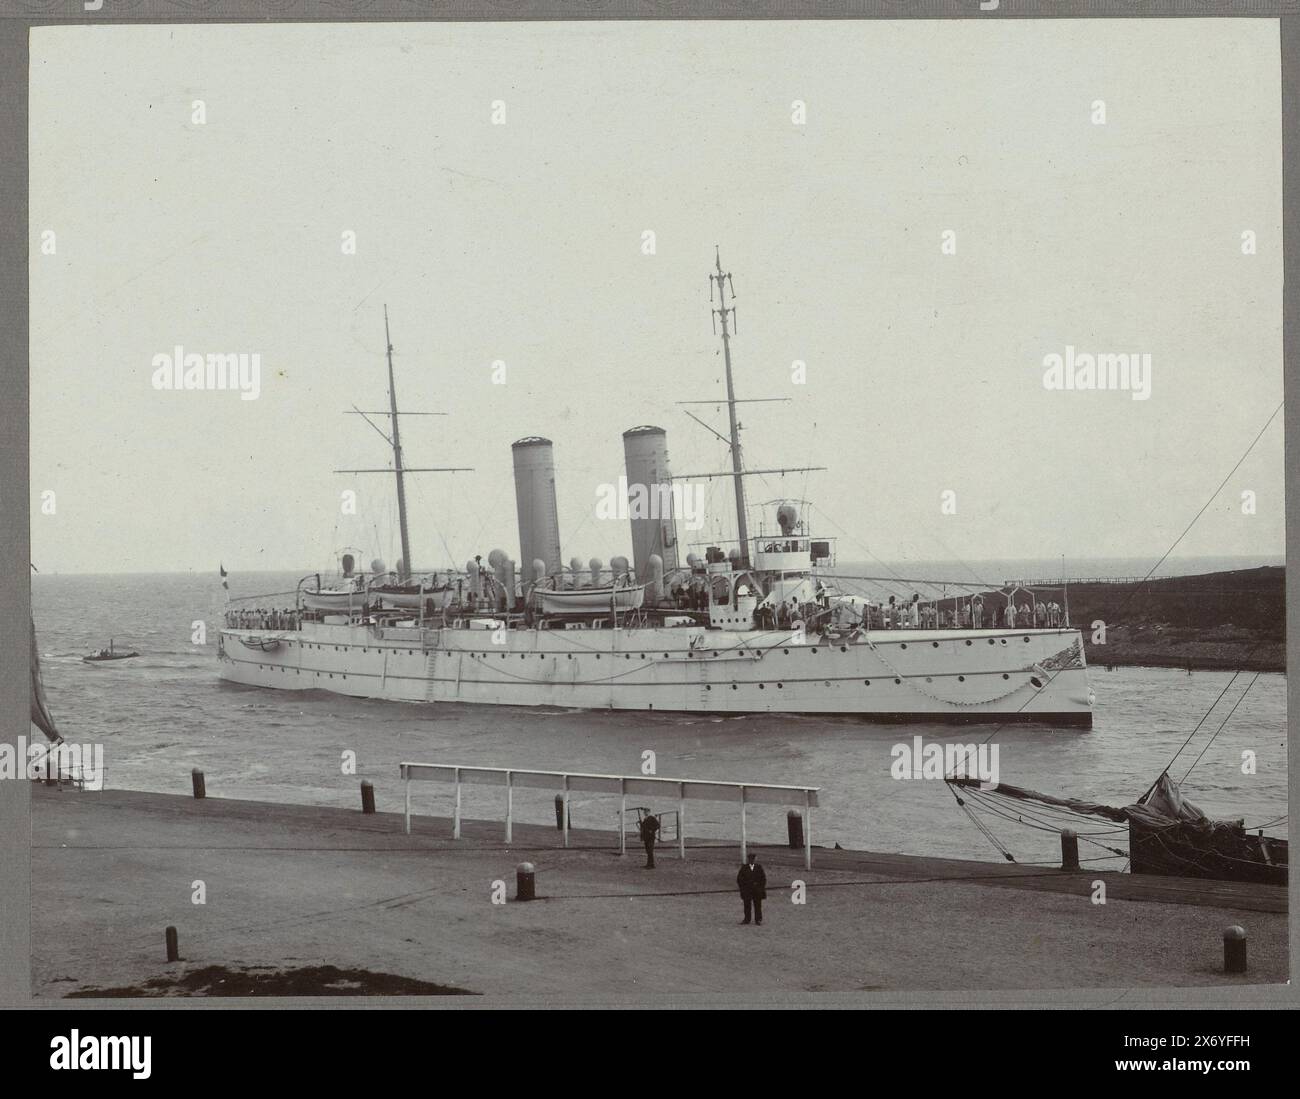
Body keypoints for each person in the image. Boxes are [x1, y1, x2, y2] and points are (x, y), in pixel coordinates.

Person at [737, 852, 767, 925]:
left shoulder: (759, 867)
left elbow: (763, 879)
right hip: (747, 890)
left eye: (753, 859)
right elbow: (739, 879)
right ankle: (747, 919)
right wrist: (743, 888)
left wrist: (760, 887)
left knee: (758, 905)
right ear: (748, 860)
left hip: (757, 890)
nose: (752, 861)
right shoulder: (744, 868)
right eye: (751, 859)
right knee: (747, 905)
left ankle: (758, 919)